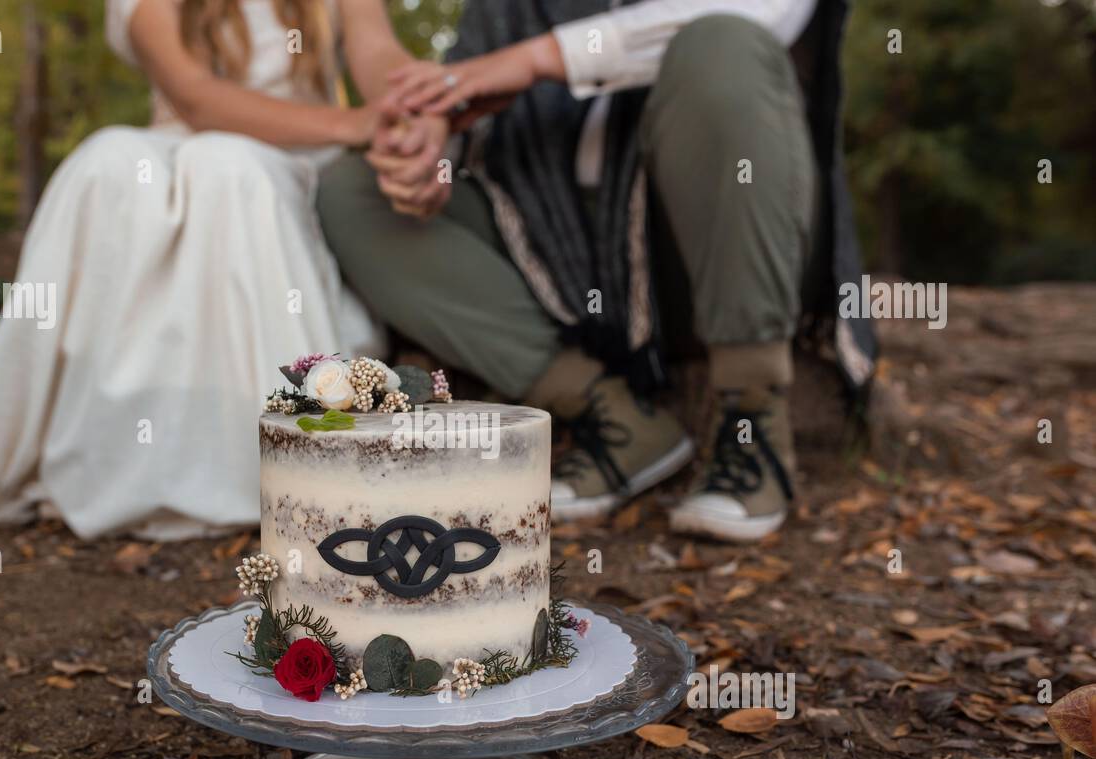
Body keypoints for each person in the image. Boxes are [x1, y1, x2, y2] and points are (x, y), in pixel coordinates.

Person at [318, 0, 877, 543]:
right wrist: (432, 148)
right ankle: (614, 417)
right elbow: (470, 93)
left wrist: (536, 58)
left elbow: (766, 12)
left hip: (701, 240)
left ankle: (754, 418)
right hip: (546, 240)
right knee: (355, 191)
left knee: (720, 42)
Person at [0, 0, 431, 540]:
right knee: (104, 161)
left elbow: (378, 52)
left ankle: (288, 459)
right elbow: (193, 96)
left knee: (228, 171)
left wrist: (408, 108)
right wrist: (356, 124)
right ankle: (98, 464)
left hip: (288, 153)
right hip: (179, 142)